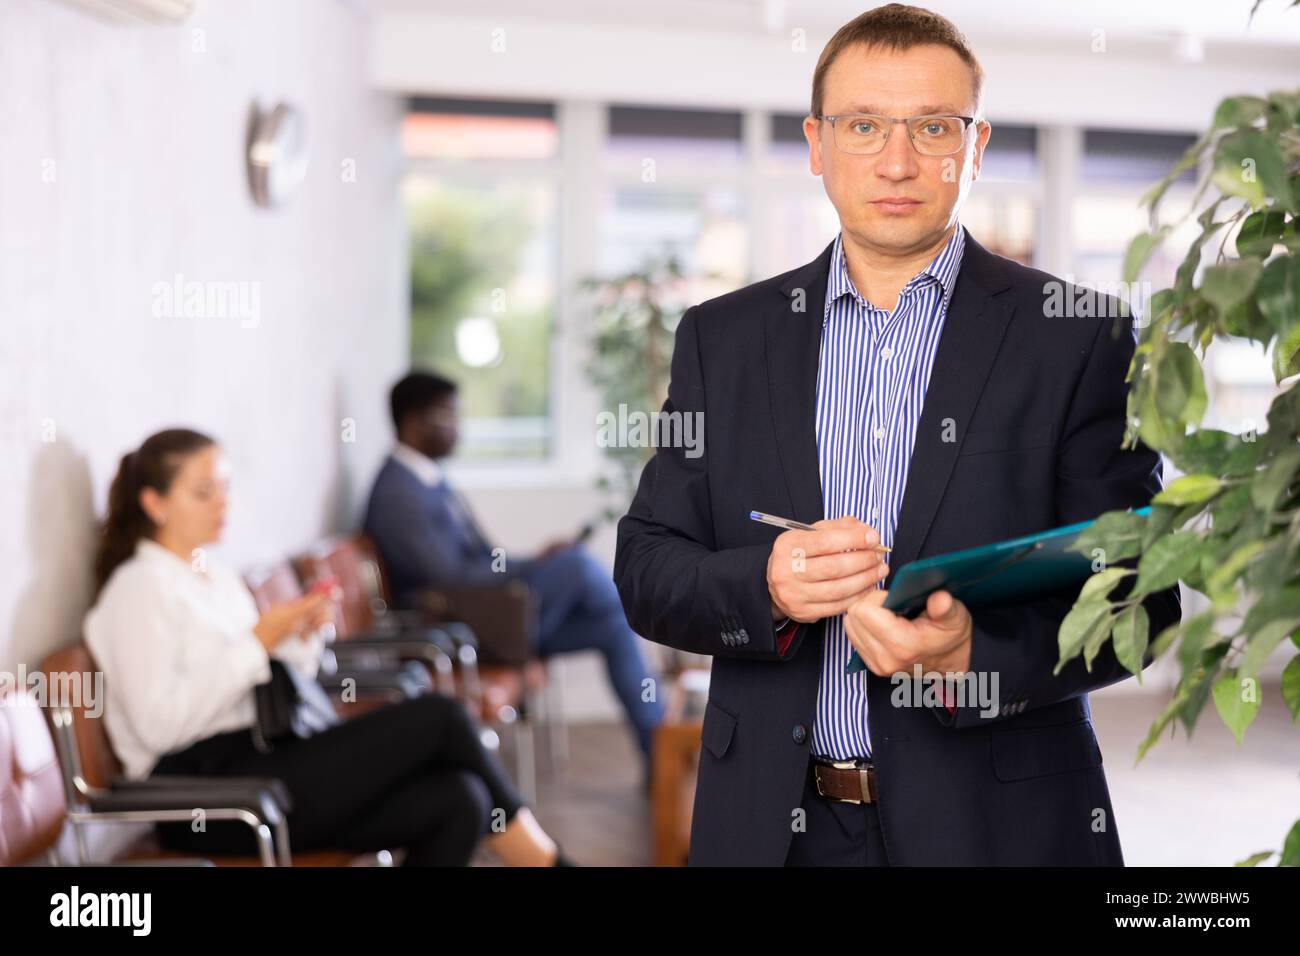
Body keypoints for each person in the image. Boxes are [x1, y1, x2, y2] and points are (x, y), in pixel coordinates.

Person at [613, 3, 1181, 866]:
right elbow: (648, 564)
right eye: (865, 124)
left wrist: (970, 659)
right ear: (816, 143)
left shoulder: (1077, 334)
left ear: (977, 146)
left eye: (934, 126)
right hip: (769, 825)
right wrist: (761, 584)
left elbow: (1144, 591)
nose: (899, 159)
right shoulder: (721, 338)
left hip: (996, 828)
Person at [84, 428, 573, 866]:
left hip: (267, 757)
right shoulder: (138, 590)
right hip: (209, 794)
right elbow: (157, 727)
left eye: (226, 488)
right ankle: (547, 862)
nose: (222, 505)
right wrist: (258, 640)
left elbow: (263, 675)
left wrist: (299, 635)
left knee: (460, 800)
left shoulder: (215, 577)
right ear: (155, 503)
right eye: (203, 493)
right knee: (441, 717)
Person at [364, 372, 666, 771]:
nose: (459, 427)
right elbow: (448, 579)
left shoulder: (430, 481)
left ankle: (659, 755)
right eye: (449, 416)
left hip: (487, 614)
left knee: (612, 622)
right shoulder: (398, 493)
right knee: (576, 568)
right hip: (459, 629)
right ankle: (652, 624)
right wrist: (531, 575)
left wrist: (534, 562)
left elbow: (485, 557)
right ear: (415, 422)